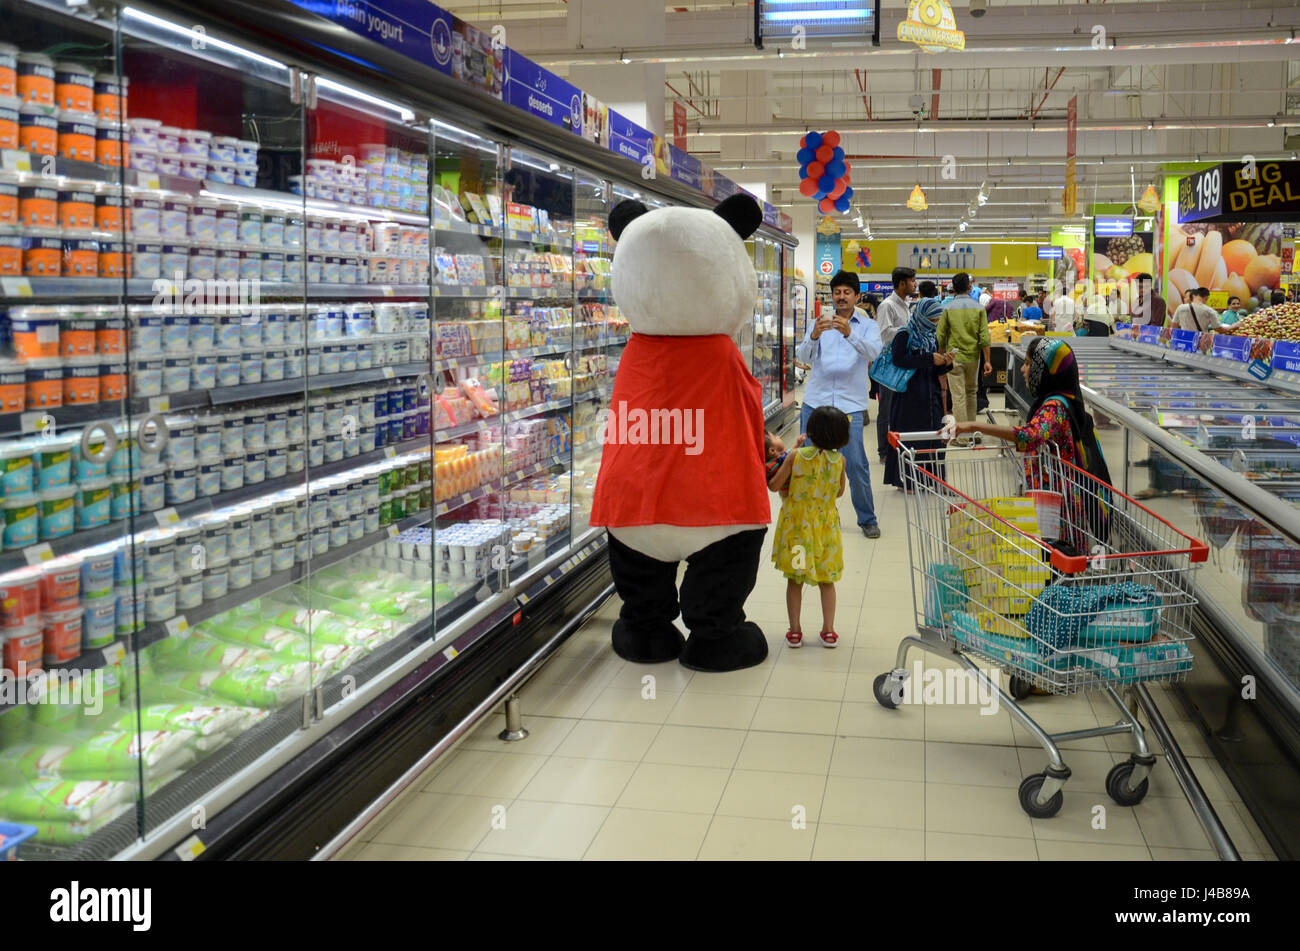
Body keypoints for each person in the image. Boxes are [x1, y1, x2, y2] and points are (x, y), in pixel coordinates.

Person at [950, 337, 1110, 553]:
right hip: (1055, 499)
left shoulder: (1055, 408)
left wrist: (972, 426)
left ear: (1044, 370)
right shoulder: (1061, 400)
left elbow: (1030, 436)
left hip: (1057, 508)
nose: (1024, 370)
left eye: (1028, 364)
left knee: (1057, 561)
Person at [796, 269, 883, 538]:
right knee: (809, 463)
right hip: (815, 402)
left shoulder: (867, 326)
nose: (841, 297)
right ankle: (809, 517)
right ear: (832, 296)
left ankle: (867, 519)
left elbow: (873, 353)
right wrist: (813, 338)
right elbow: (804, 358)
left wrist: (849, 334)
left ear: (857, 296)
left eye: (847, 292)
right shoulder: (817, 324)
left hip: (849, 406)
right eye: (837, 292)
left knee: (856, 465)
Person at [768, 406, 848, 649]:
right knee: (827, 580)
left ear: (812, 430)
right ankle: (829, 630)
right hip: (826, 532)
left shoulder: (797, 456)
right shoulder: (840, 460)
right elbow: (840, 491)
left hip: (798, 530)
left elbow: (774, 485)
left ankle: (795, 631)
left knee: (795, 579)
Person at [884, 281, 953, 490]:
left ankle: (930, 480)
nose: (935, 322)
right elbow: (899, 360)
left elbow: (932, 368)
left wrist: (945, 363)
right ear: (923, 316)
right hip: (908, 397)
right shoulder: (905, 334)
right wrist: (928, 358)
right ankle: (907, 480)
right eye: (932, 318)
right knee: (911, 438)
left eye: (937, 319)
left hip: (929, 395)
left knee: (931, 437)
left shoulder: (931, 336)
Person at [937, 271, 992, 430]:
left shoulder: (947, 308)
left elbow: (940, 336)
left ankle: (961, 435)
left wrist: (941, 357)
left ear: (953, 288)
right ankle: (972, 430)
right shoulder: (979, 308)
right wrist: (987, 361)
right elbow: (984, 336)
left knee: (958, 396)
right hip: (974, 357)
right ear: (969, 287)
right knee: (971, 393)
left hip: (954, 357)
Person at [874, 266, 917, 463]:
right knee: (886, 409)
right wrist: (908, 329)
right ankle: (883, 451)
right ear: (902, 284)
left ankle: (897, 448)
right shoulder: (887, 305)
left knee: (899, 408)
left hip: (903, 363)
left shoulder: (905, 305)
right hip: (890, 365)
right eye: (912, 281)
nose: (915, 284)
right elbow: (884, 334)